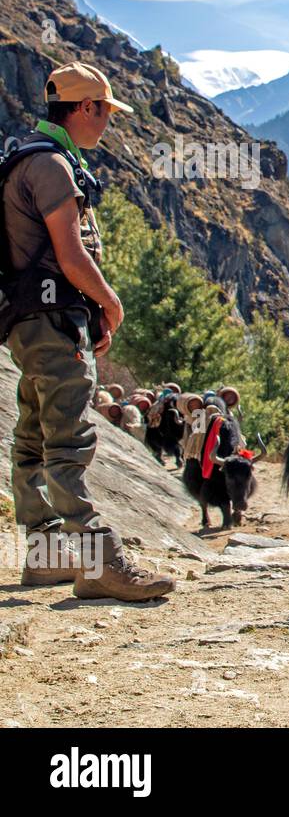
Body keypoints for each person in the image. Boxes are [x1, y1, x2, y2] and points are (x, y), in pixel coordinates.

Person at [2, 61, 174, 600]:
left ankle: (46, 556)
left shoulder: (25, 157)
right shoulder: (54, 167)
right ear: (84, 107)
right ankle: (100, 561)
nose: (107, 122)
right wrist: (110, 303)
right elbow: (71, 255)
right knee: (69, 438)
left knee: (33, 434)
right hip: (54, 318)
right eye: (104, 111)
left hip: (26, 320)